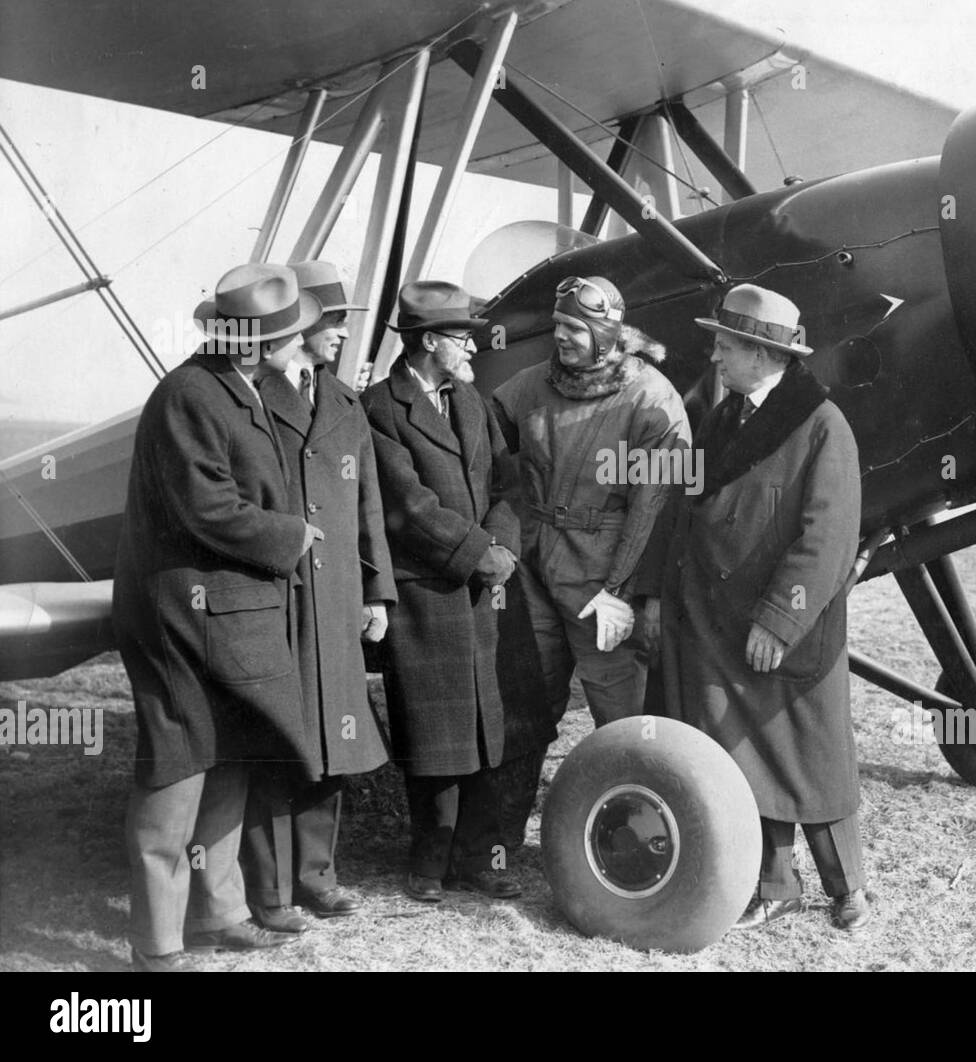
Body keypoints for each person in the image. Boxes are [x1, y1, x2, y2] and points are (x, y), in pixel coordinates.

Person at [114, 262, 324, 970]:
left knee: (228, 753)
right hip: (180, 616)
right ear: (254, 340)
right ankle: (158, 942)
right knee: (178, 761)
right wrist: (291, 536)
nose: (289, 346)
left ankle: (219, 909)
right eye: (282, 337)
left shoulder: (235, 388)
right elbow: (206, 507)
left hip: (225, 612)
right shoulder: (188, 395)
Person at [650, 283, 871, 932]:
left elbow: (828, 537)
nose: (715, 356)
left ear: (761, 353)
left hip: (788, 631)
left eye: (726, 345)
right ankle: (776, 884)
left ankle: (847, 888)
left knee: (814, 757)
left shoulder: (823, 426)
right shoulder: (724, 418)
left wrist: (779, 621)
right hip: (719, 624)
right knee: (746, 759)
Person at [240, 261, 396, 932]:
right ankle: (271, 893)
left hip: (335, 599)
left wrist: (377, 593)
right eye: (334, 323)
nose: (341, 335)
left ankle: (317, 876)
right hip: (278, 596)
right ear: (302, 326)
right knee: (281, 742)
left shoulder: (344, 403)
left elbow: (368, 509)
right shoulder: (249, 397)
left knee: (337, 734)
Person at [362, 281, 522, 902]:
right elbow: (408, 507)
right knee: (434, 736)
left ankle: (478, 860)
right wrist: (482, 555)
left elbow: (509, 484)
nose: (475, 350)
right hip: (428, 594)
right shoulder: (379, 409)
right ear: (430, 342)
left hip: (481, 588)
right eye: (464, 339)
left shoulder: (473, 402)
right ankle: (428, 864)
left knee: (484, 730)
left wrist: (501, 548)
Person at [491, 275, 690, 729]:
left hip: (603, 574)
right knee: (527, 700)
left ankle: (631, 797)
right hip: (534, 564)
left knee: (621, 712)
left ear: (604, 336)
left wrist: (620, 592)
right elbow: (479, 441)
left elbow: (655, 507)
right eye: (558, 324)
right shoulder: (532, 384)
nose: (560, 335)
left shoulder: (651, 399)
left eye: (575, 328)